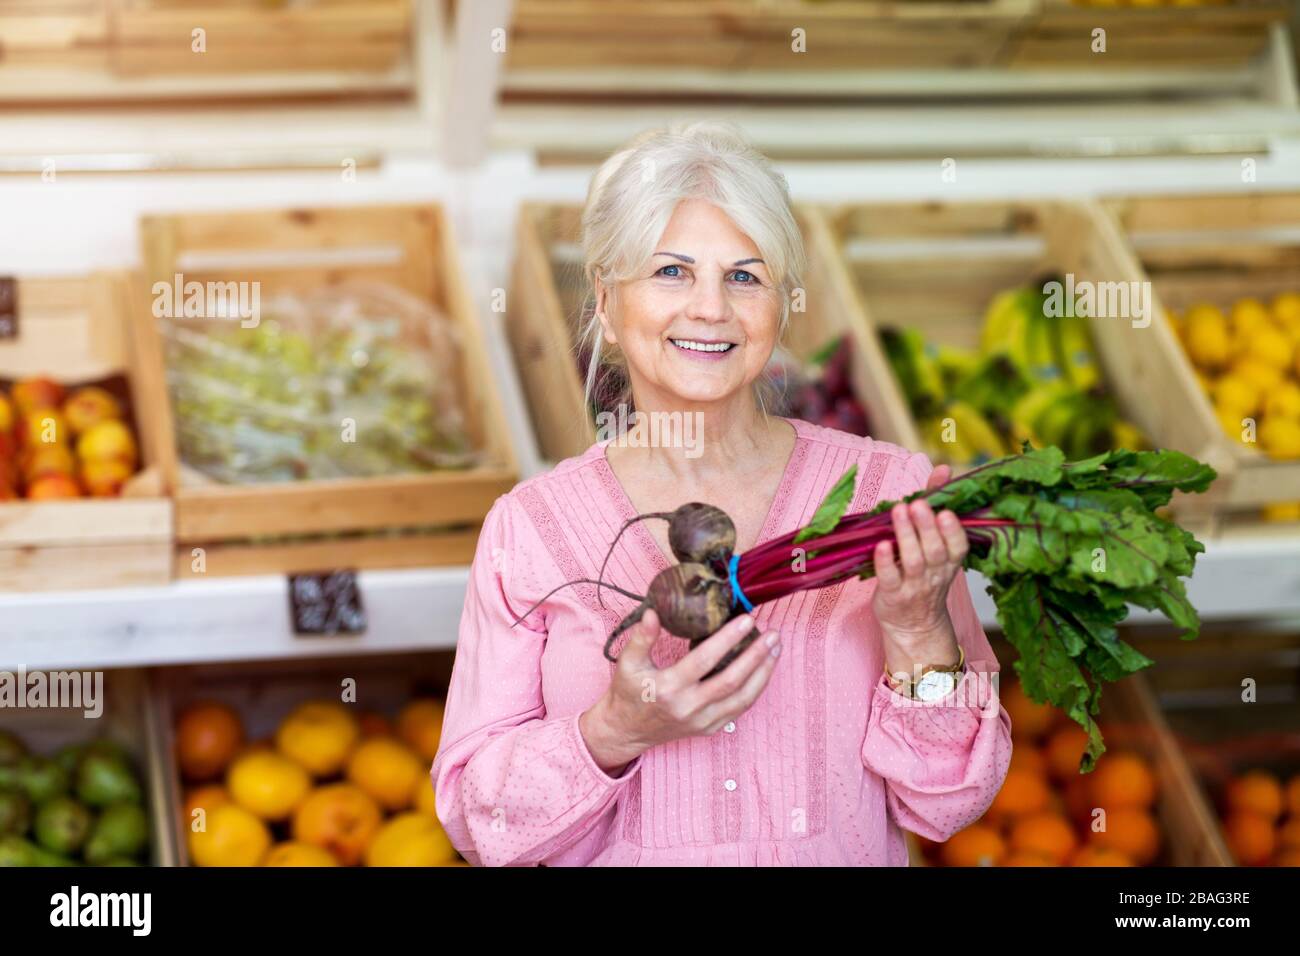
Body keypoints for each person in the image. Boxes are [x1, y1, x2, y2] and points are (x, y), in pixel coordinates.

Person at [431, 121, 1011, 866]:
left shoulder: (887, 499)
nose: (711, 307)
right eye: (671, 272)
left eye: (746, 275)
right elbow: (479, 824)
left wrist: (917, 629)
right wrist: (613, 731)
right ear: (606, 302)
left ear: (782, 305)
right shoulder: (530, 531)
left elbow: (950, 805)